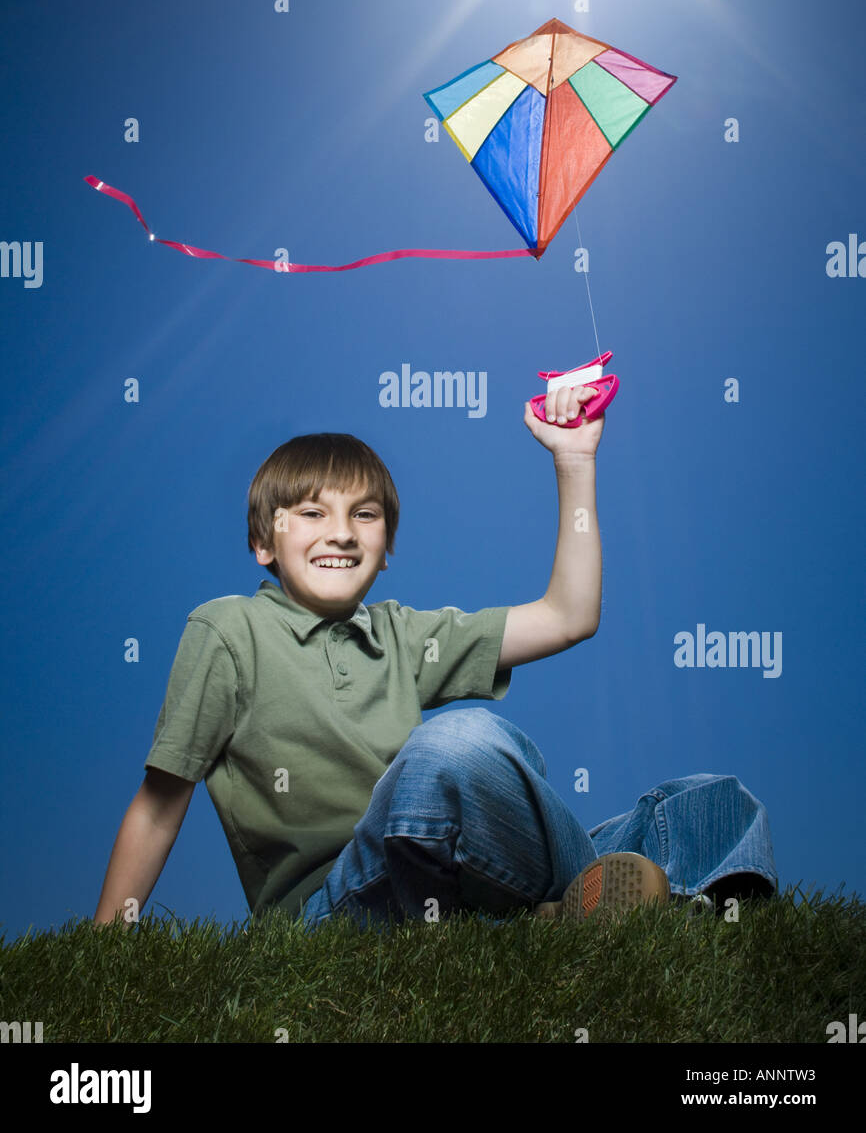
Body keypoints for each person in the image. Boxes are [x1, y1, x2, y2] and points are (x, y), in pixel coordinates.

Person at [93, 385, 777, 932]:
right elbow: (158, 805)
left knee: (714, 801)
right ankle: (631, 897)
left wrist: (575, 462)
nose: (340, 532)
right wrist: (107, 947)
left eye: (364, 515)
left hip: (447, 874)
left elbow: (569, 617)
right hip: (337, 912)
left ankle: (581, 914)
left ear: (387, 548)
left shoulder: (400, 634)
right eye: (309, 513)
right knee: (453, 743)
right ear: (263, 545)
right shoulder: (226, 631)